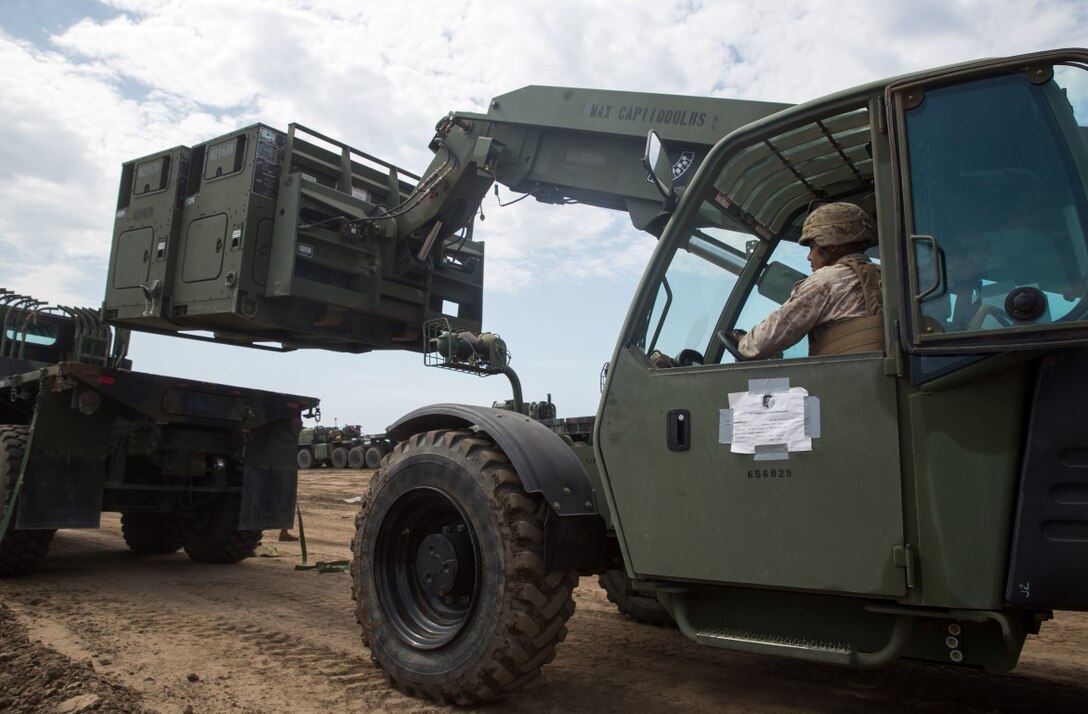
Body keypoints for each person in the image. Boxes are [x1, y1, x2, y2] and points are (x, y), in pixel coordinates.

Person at [733, 202, 883, 359]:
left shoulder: (827, 281)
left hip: (846, 373)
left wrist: (742, 341)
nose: (809, 257)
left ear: (832, 246)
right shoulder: (883, 276)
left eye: (812, 247)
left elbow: (763, 342)